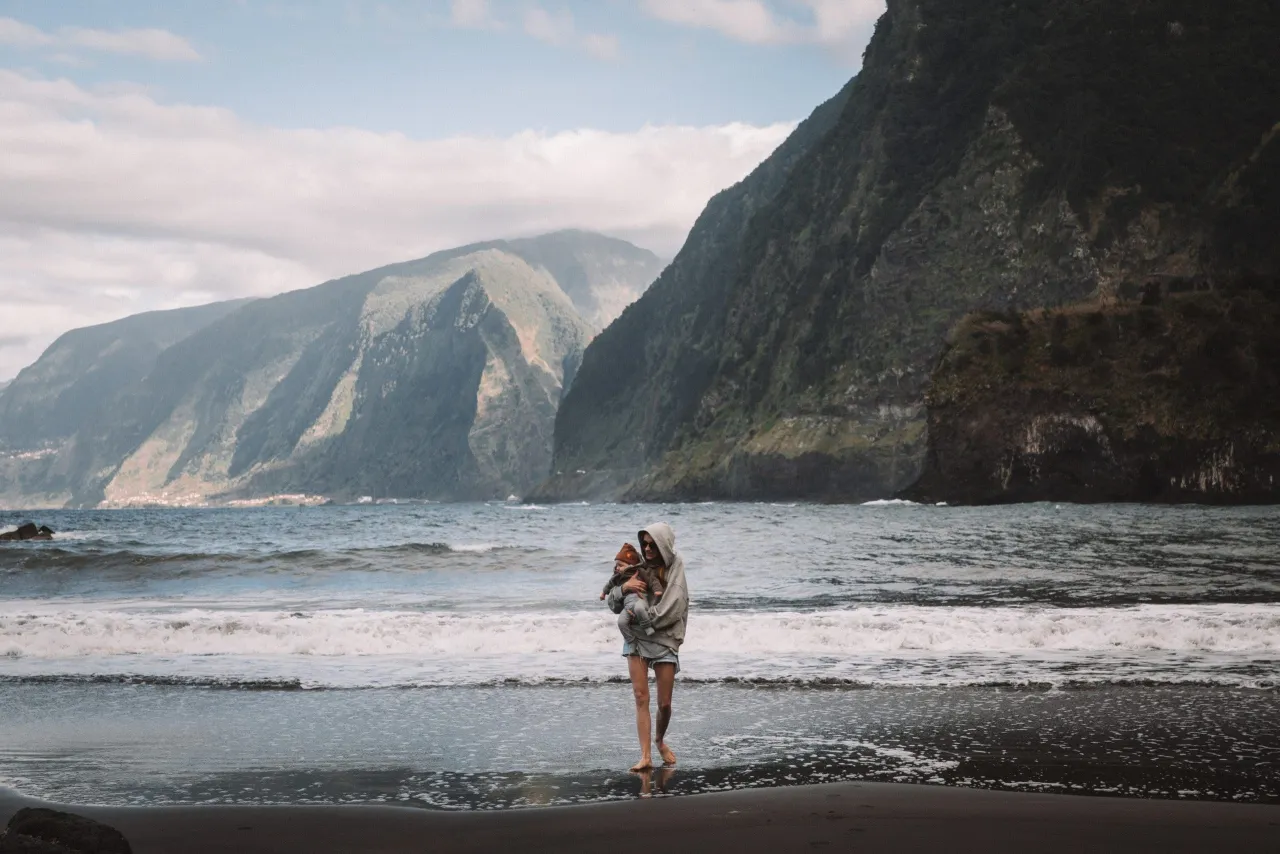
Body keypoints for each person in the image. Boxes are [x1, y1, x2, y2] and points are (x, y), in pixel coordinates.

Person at [604, 522, 688, 772]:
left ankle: (659, 740)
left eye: (653, 544)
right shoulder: (636, 565)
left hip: (665, 636)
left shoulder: (675, 565)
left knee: (664, 704)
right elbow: (612, 603)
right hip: (638, 637)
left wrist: (645, 617)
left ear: (664, 543)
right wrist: (623, 589)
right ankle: (645, 756)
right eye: (645, 544)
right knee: (641, 697)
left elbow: (674, 606)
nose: (648, 548)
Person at [600, 542, 665, 637]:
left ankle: (647, 627)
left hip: (640, 600)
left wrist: (657, 590)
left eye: (620, 565)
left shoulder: (641, 571)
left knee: (639, 608)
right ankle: (631, 642)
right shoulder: (617, 576)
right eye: (644, 544)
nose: (617, 568)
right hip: (627, 605)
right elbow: (610, 587)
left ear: (631, 565)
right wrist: (606, 592)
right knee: (621, 622)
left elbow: (652, 580)